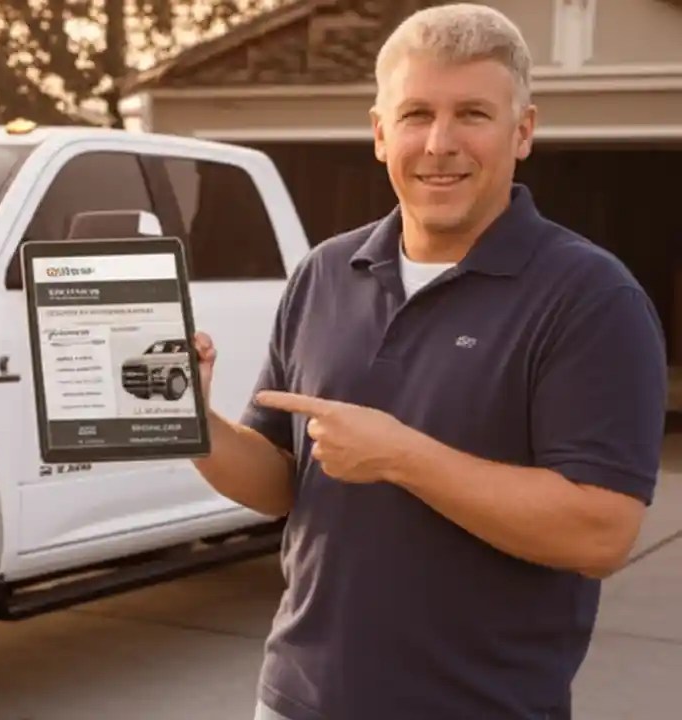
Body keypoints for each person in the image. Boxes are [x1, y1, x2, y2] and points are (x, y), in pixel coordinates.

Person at [191, 4, 669, 720]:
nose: (440, 143)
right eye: (416, 114)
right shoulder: (325, 272)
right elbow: (281, 483)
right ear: (381, 133)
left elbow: (599, 533)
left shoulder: (592, 298)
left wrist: (401, 456)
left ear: (524, 131)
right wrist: (189, 420)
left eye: (472, 113)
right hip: (295, 700)